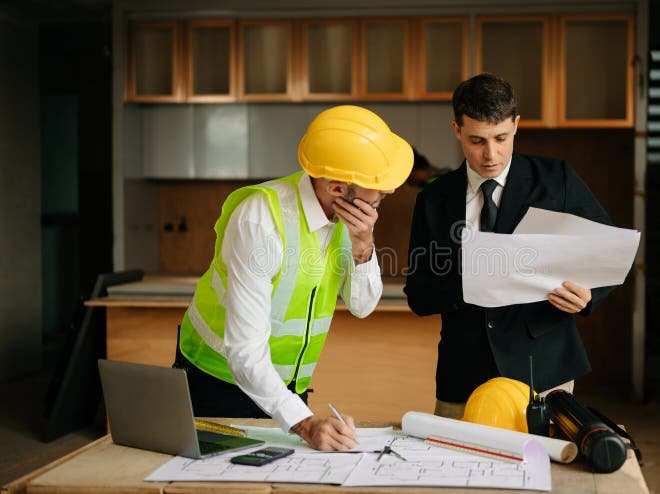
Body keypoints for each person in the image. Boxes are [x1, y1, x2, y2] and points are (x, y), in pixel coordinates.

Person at [174, 105, 413, 450]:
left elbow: (362, 306)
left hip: (282, 391)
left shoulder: (349, 219)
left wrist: (364, 244)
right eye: (377, 186)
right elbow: (244, 351)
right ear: (336, 187)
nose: (386, 193)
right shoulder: (261, 220)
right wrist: (304, 423)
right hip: (216, 388)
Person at [404, 73, 616, 419]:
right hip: (463, 376)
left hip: (544, 371)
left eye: (501, 138)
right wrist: (473, 281)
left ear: (516, 125)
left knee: (546, 469)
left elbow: (606, 250)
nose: (491, 154)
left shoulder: (556, 179)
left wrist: (589, 294)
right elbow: (419, 294)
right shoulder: (433, 200)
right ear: (457, 130)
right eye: (477, 140)